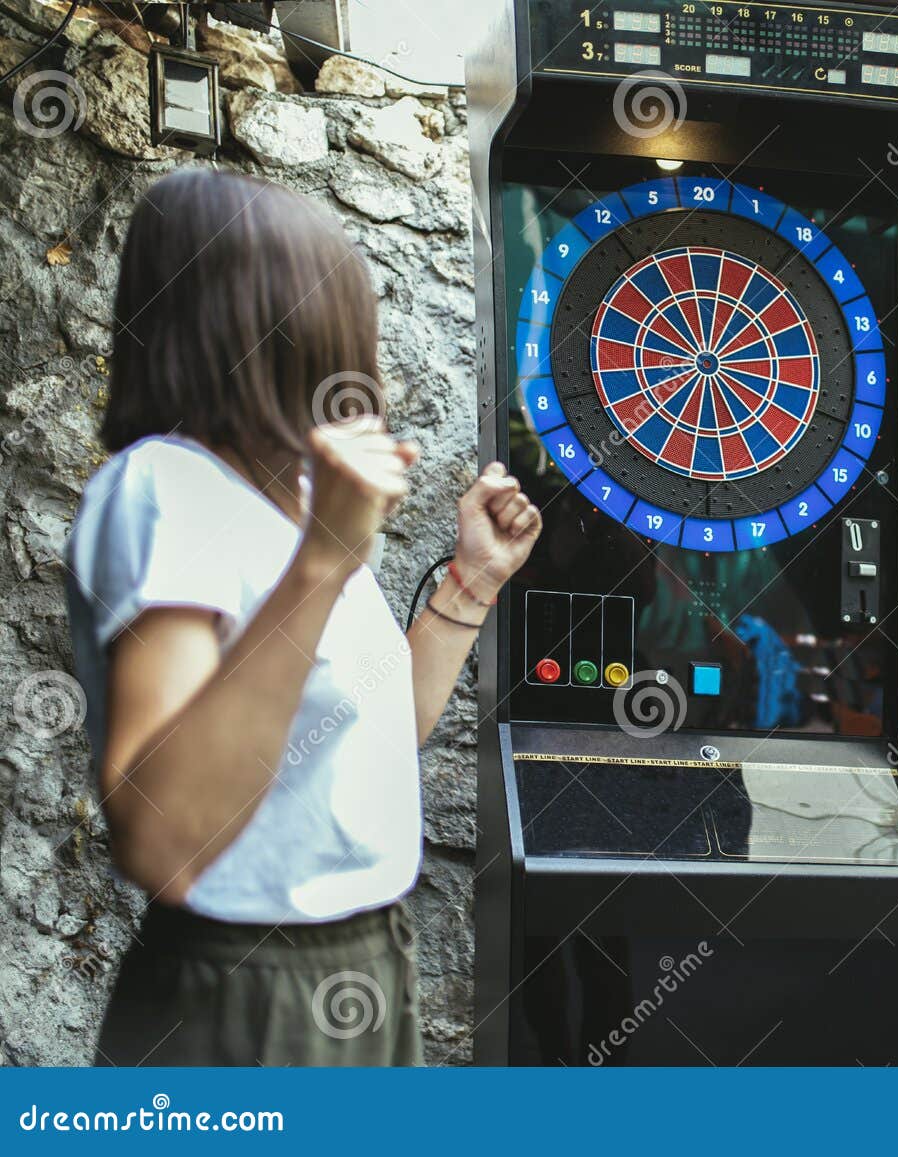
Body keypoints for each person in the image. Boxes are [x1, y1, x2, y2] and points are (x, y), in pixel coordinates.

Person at [64, 169, 541, 1066]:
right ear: (266, 330)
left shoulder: (284, 507)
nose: (367, 359)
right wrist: (325, 557)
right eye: (342, 318)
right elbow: (166, 838)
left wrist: (470, 583)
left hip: (362, 964)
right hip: (253, 997)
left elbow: (378, 724)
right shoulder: (165, 487)